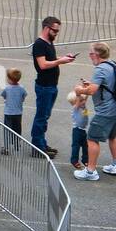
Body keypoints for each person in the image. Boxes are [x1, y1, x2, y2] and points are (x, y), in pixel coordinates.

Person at [74, 42, 116, 181]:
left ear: (96, 54)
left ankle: (90, 172)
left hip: (106, 110)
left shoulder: (100, 69)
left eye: (91, 53)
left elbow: (91, 91)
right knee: (112, 136)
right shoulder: (113, 64)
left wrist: (80, 90)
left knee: (92, 138)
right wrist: (90, 84)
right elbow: (105, 85)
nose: (90, 56)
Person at [30, 15, 75, 159]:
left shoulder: (49, 42)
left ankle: (42, 143)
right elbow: (43, 65)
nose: (56, 33)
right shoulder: (39, 44)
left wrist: (62, 58)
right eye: (54, 30)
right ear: (46, 28)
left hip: (51, 85)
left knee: (45, 116)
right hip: (44, 86)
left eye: (57, 31)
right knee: (41, 117)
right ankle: (37, 147)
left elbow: (50, 60)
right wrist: (60, 61)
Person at [0, 67, 25, 155]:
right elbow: (24, 96)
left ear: (9, 79)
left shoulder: (7, 88)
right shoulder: (21, 88)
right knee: (17, 129)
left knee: (7, 129)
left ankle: (6, 147)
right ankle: (17, 144)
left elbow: (3, 95)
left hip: (8, 112)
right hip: (18, 112)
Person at [68, 89, 90, 171]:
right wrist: (78, 94)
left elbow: (85, 97)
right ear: (75, 102)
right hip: (77, 130)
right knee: (76, 146)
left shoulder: (83, 106)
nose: (83, 102)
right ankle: (74, 160)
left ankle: (85, 159)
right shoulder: (75, 108)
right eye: (81, 101)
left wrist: (85, 89)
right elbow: (78, 100)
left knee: (85, 146)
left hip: (83, 130)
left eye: (84, 100)